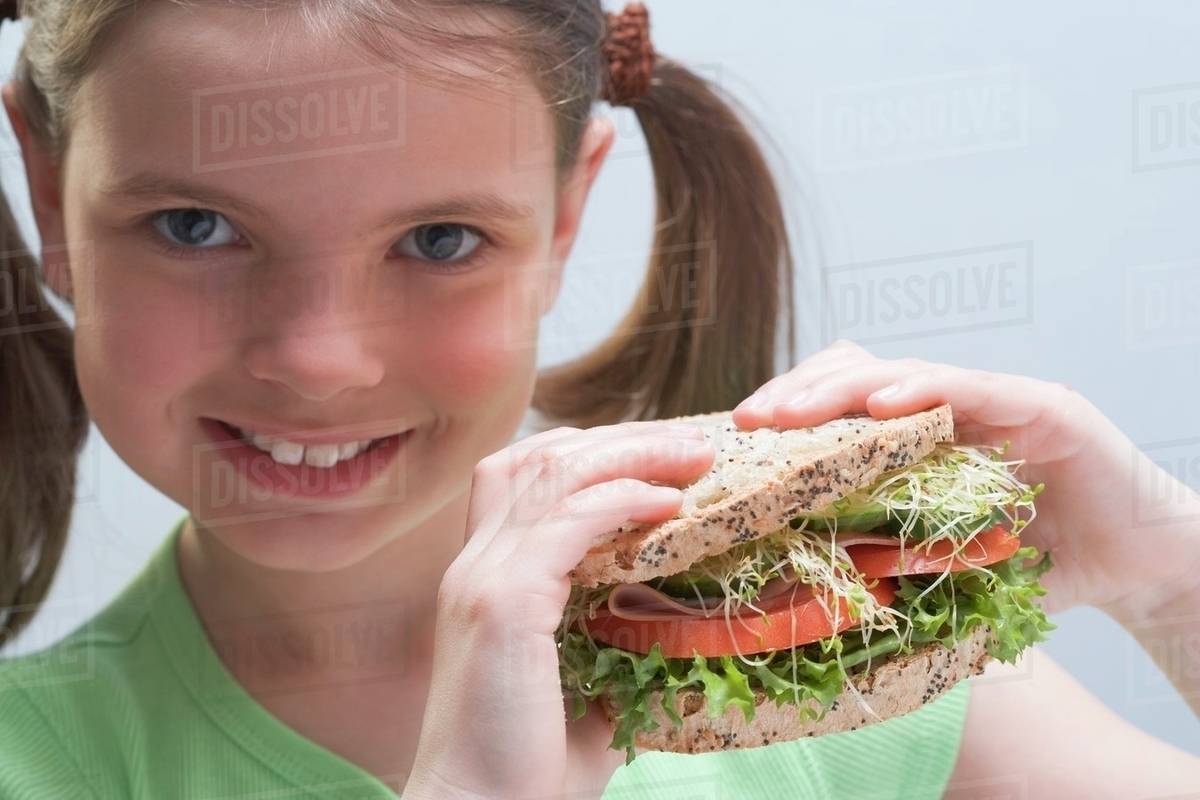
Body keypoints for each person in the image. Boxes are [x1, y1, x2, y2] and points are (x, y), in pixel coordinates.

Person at [0, 1, 1194, 798]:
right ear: (53, 199)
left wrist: (1170, 575)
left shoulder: (833, 650)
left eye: (439, 238)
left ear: (565, 220)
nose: (319, 358)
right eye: (194, 225)